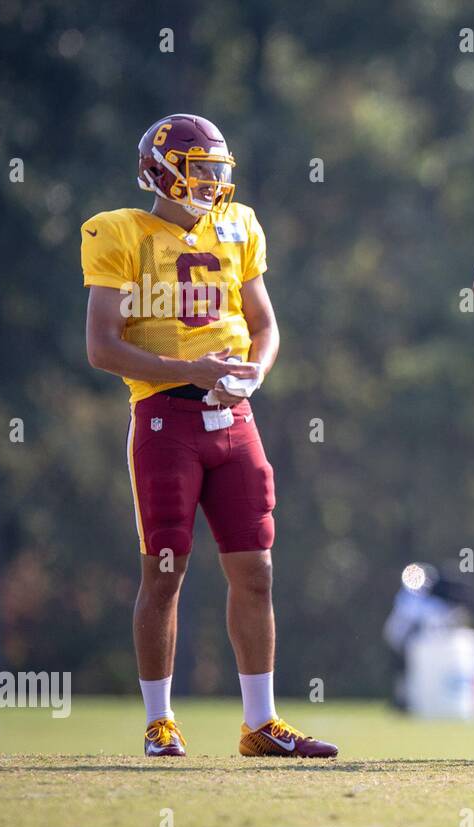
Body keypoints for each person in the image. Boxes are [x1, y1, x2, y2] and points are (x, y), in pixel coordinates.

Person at [82, 114, 336, 758]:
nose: (211, 182)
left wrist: (254, 374)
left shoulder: (240, 224)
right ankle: (159, 719)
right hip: (166, 419)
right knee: (164, 572)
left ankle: (260, 723)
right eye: (197, 169)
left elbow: (265, 326)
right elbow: (102, 347)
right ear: (158, 172)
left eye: (217, 169)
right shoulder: (118, 232)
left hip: (235, 421)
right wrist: (189, 371)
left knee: (257, 572)